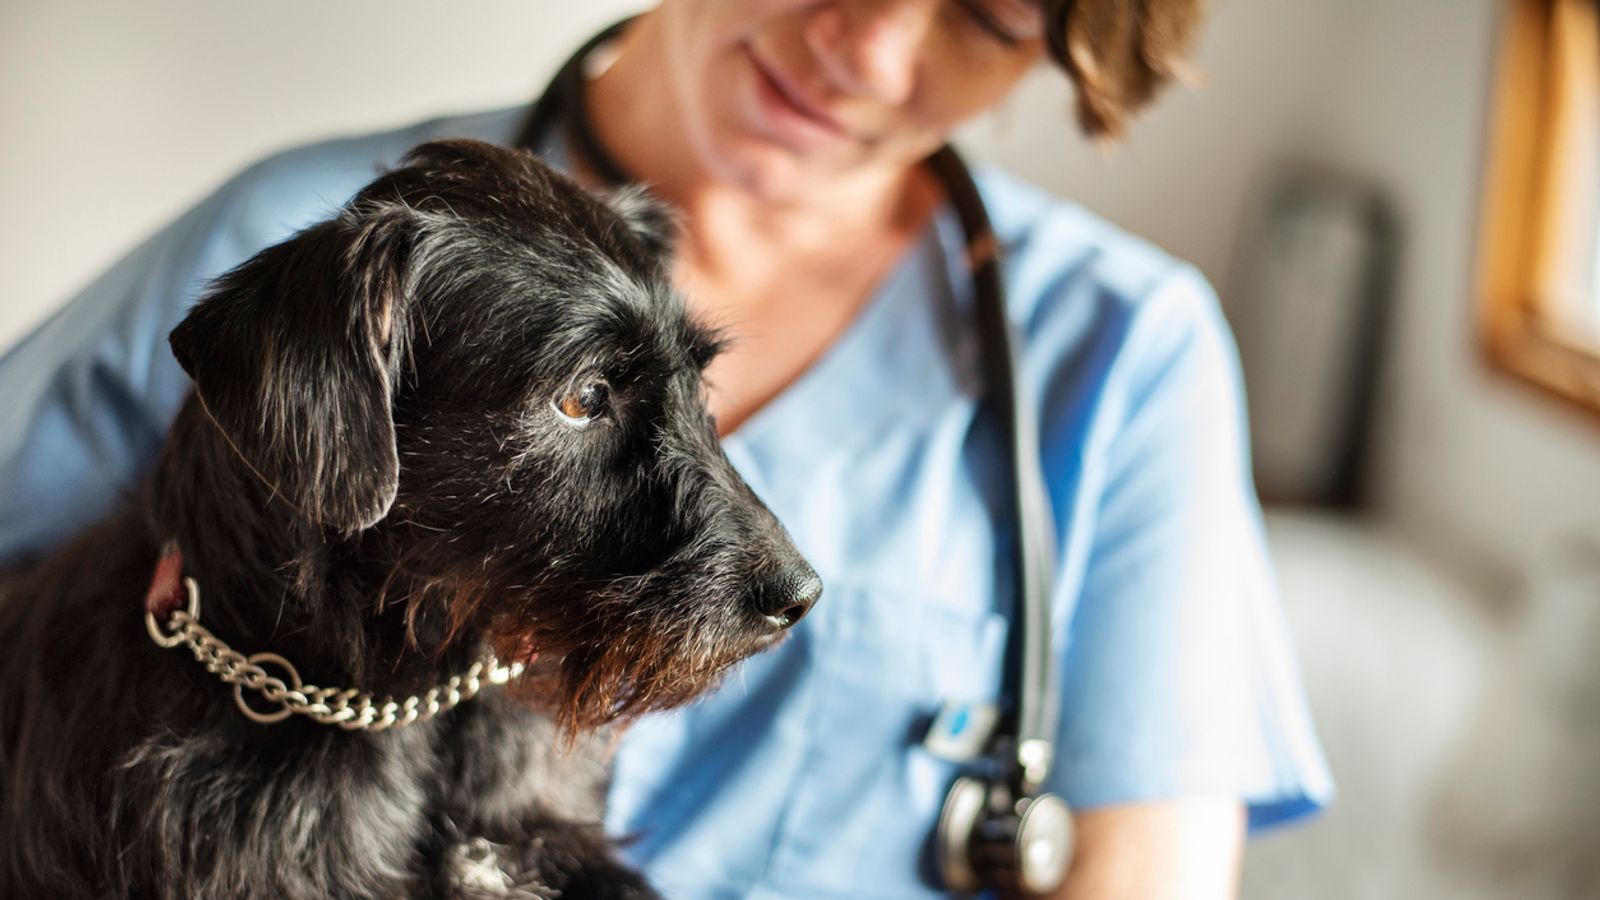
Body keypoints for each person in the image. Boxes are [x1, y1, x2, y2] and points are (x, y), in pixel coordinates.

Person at [0, 1, 1332, 897]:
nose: (866, 47)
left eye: (987, 12)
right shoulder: (302, 242)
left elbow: (1144, 870)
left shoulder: (1123, 349)